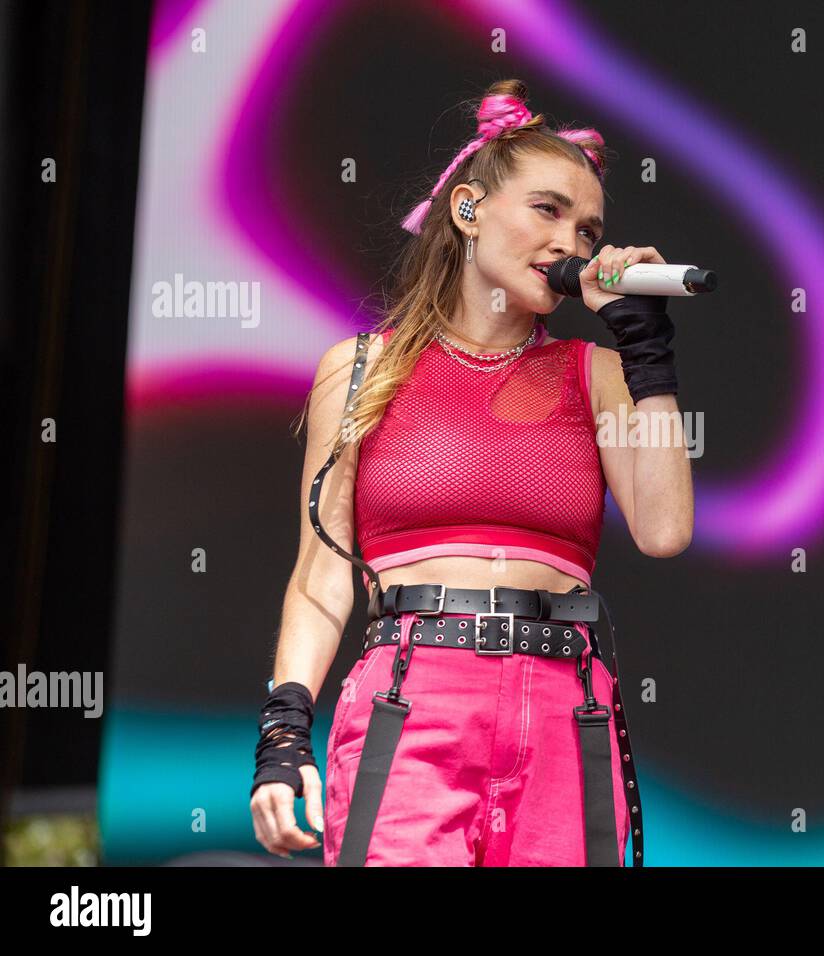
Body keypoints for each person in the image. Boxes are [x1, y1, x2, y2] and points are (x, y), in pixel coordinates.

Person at [248, 78, 693, 866]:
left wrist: (649, 355)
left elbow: (663, 531)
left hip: (567, 707)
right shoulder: (359, 371)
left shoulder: (596, 372)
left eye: (589, 230)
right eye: (548, 210)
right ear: (468, 210)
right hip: (412, 699)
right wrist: (285, 737)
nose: (572, 245)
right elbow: (322, 575)